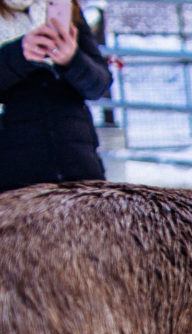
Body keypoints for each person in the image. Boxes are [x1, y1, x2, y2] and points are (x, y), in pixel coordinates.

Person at [0, 0, 111, 193]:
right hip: (13, 182)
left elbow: (98, 86)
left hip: (79, 171)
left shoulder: (64, 7)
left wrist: (72, 58)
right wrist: (20, 54)